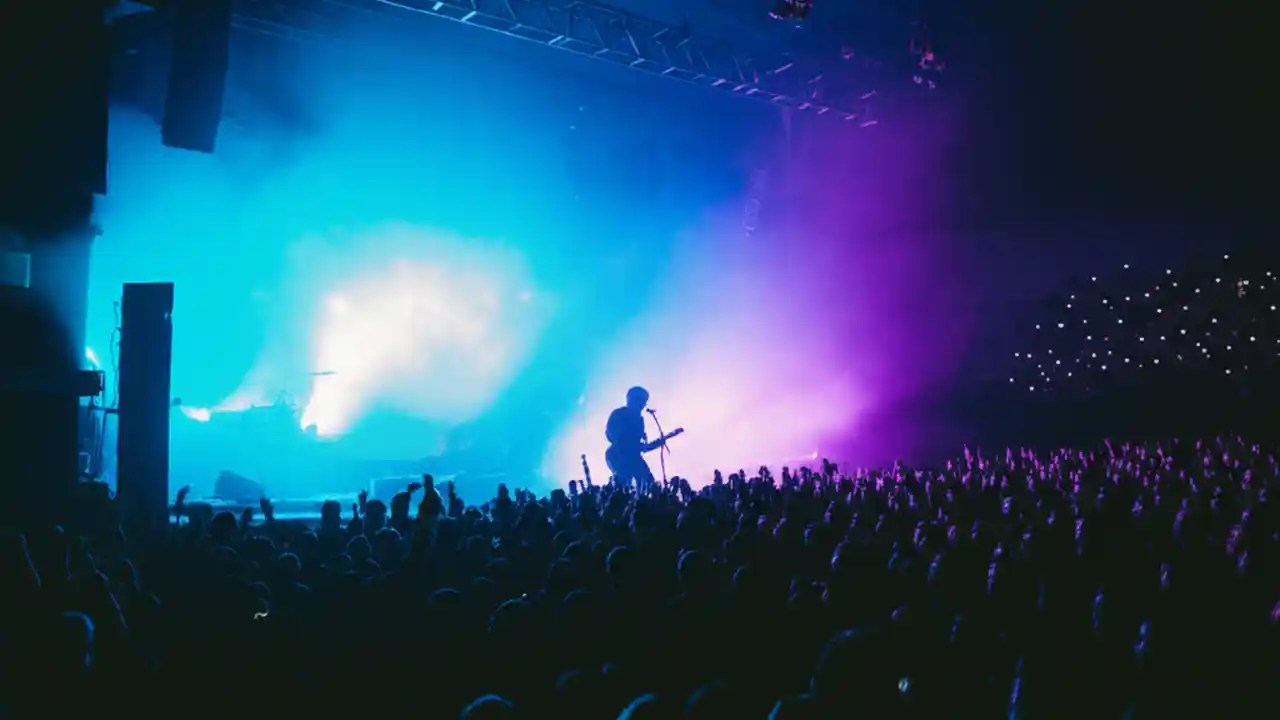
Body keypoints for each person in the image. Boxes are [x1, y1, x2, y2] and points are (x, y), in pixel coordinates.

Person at [605, 386, 661, 493]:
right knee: (624, 483)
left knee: (649, 483)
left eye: (644, 401)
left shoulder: (640, 420)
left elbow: (640, 447)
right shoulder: (619, 414)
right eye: (640, 400)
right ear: (630, 399)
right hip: (618, 455)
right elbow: (614, 436)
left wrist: (654, 444)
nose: (642, 404)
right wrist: (637, 446)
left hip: (633, 457)